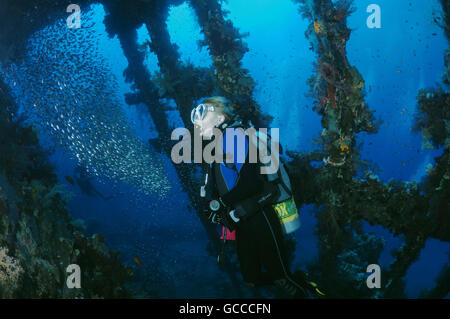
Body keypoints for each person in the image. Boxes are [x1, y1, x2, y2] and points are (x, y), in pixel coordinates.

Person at [191, 96, 324, 298]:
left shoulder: (234, 135)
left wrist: (222, 203)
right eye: (194, 116)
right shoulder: (216, 146)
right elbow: (221, 185)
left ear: (219, 118)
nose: (196, 120)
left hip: (259, 215)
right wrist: (216, 208)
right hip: (240, 220)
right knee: (251, 279)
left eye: (201, 113)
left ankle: (296, 284)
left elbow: (251, 182)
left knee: (281, 279)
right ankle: (299, 278)